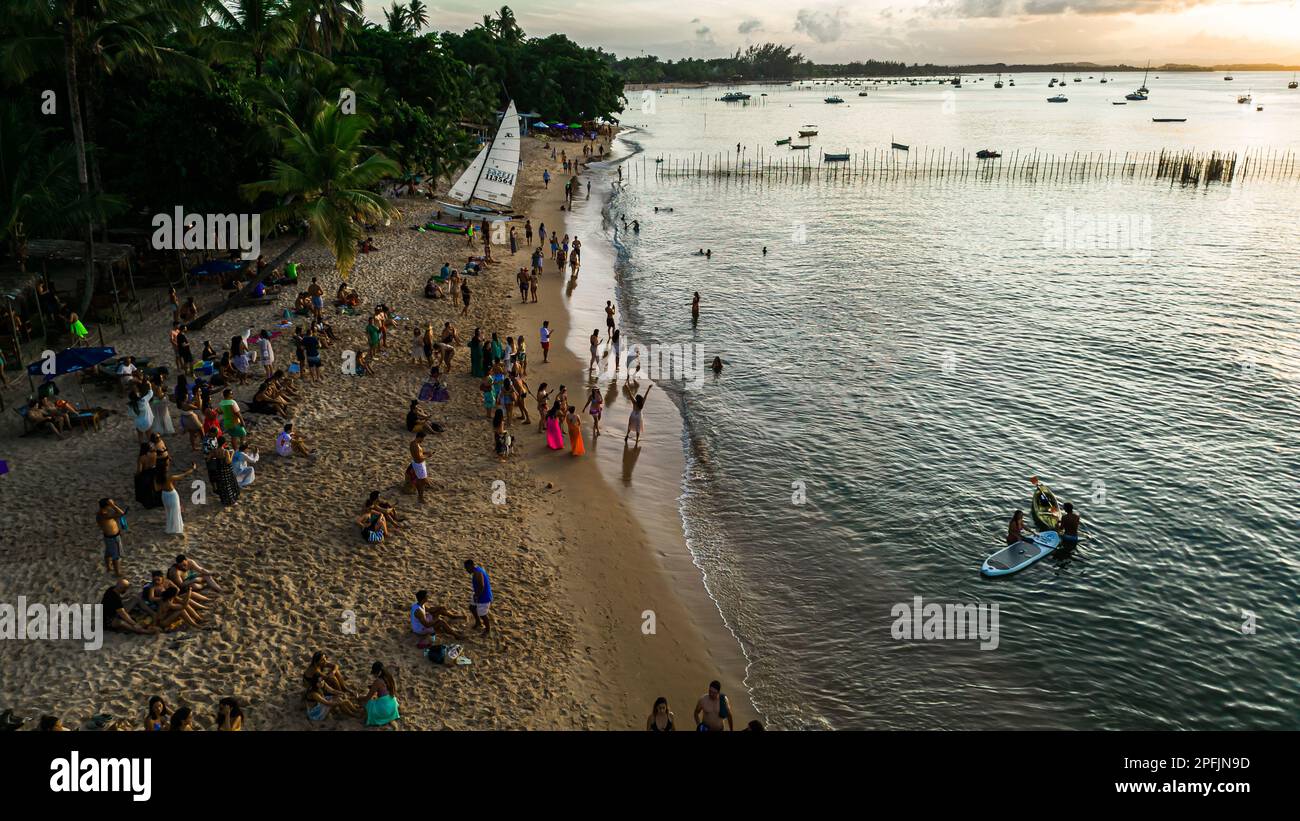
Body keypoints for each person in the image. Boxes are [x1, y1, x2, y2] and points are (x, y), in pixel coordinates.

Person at [364, 662, 400, 727]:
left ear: (379, 672)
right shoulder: (389, 677)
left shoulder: (377, 681)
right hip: (393, 707)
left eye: (374, 673)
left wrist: (359, 698)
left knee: (368, 704)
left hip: (385, 710)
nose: (374, 675)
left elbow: (367, 698)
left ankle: (380, 718)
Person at [96, 498, 127, 575]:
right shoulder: (103, 514)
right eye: (110, 504)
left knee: (109, 552)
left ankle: (109, 567)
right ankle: (117, 572)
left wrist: (112, 505)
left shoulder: (105, 513)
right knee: (115, 555)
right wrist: (113, 505)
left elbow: (118, 515)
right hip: (112, 537)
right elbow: (121, 513)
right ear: (107, 505)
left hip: (110, 536)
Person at [464, 559, 493, 636]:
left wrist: (477, 596)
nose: (466, 570)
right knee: (472, 607)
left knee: (483, 615)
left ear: (471, 566)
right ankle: (478, 622)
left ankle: (487, 630)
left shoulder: (477, 573)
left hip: (484, 597)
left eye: (467, 568)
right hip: (478, 594)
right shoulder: (477, 569)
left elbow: (482, 586)